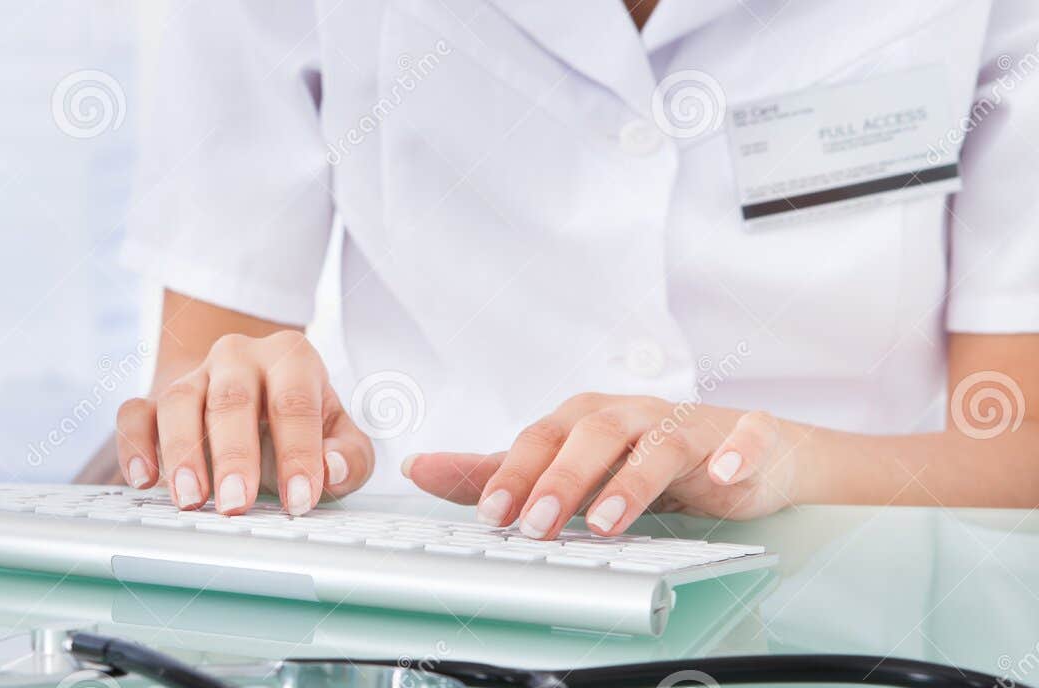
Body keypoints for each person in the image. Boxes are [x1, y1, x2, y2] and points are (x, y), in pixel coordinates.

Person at [83, 0, 1039, 541]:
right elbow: (200, 384)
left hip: (856, 603)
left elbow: (1017, 445)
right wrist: (249, 429)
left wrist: (795, 464)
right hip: (438, 609)